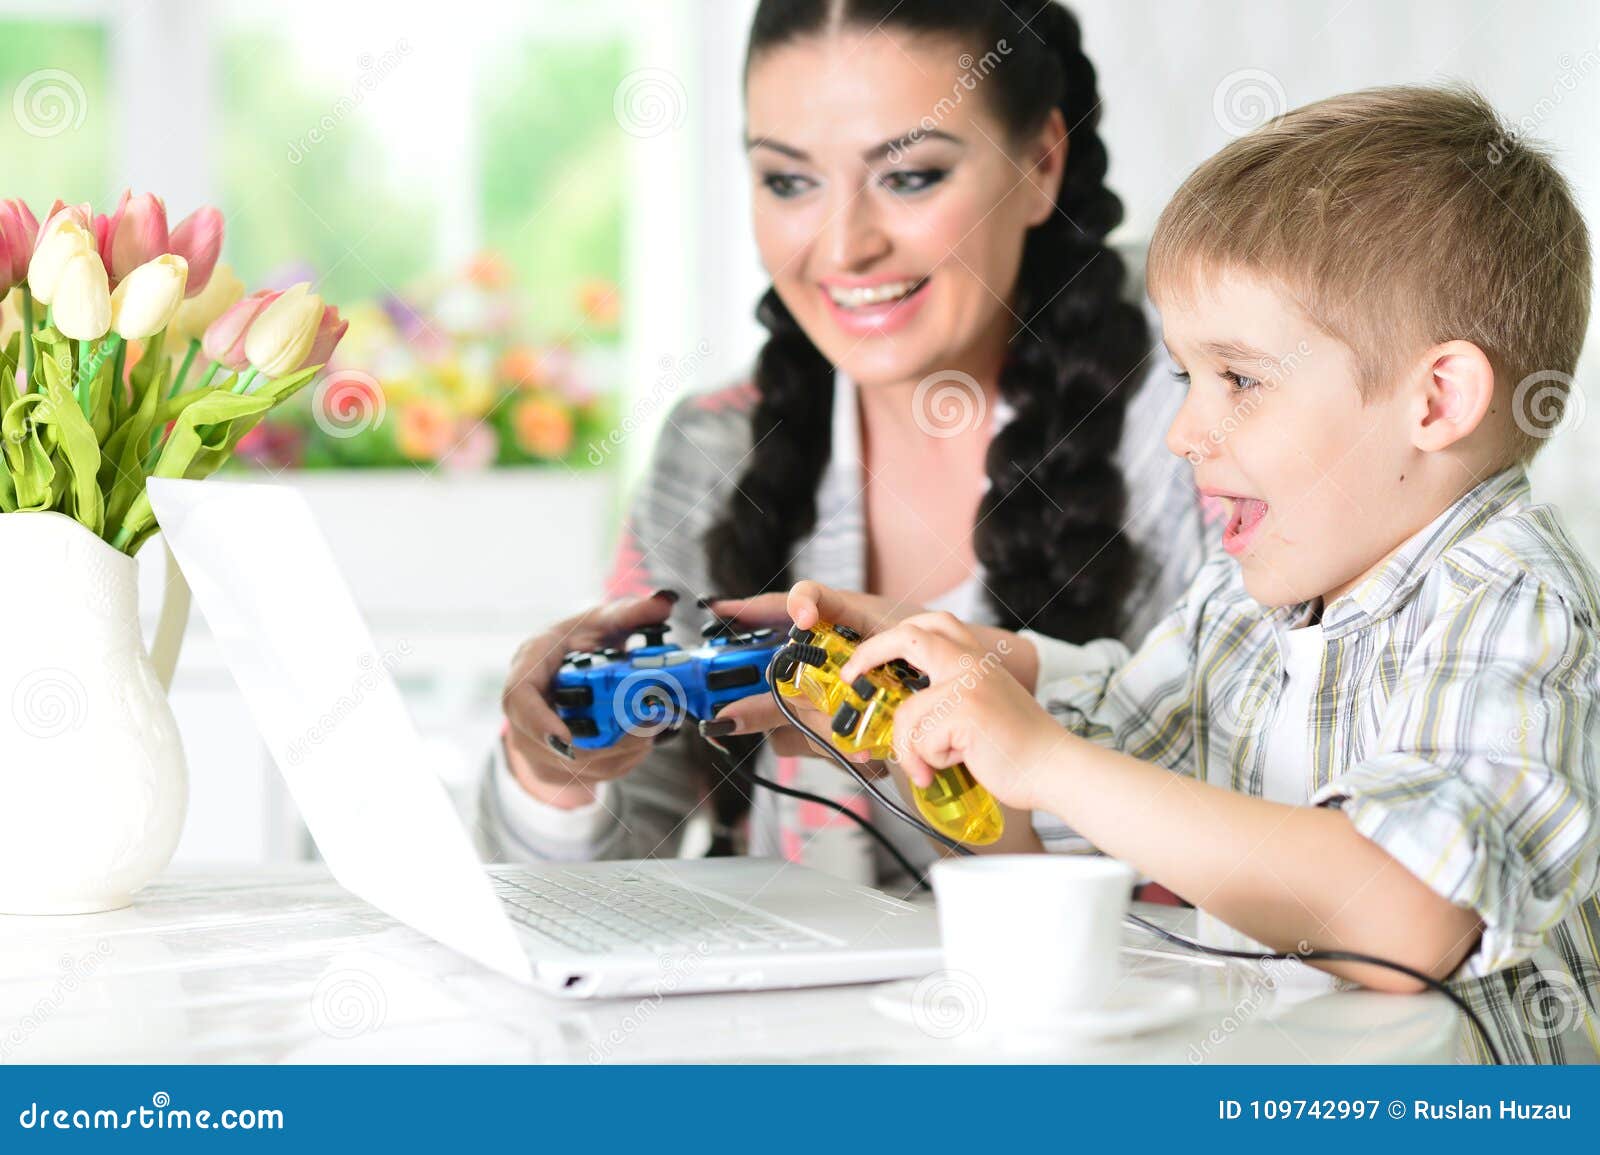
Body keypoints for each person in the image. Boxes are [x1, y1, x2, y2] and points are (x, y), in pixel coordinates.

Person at [800, 84, 1599, 1063]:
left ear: (1435, 400)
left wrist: (1045, 759)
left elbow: (1413, 917)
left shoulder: (1508, 598)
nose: (1183, 433)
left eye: (1239, 379)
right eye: (1185, 376)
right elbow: (1071, 818)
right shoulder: (1250, 593)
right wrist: (940, 693)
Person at [478, 0, 1217, 890]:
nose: (843, 246)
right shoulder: (717, 445)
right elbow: (575, 882)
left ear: (1039, 164)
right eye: (789, 183)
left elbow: (1283, 811)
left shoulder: (1214, 404)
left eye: (909, 177)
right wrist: (555, 773)